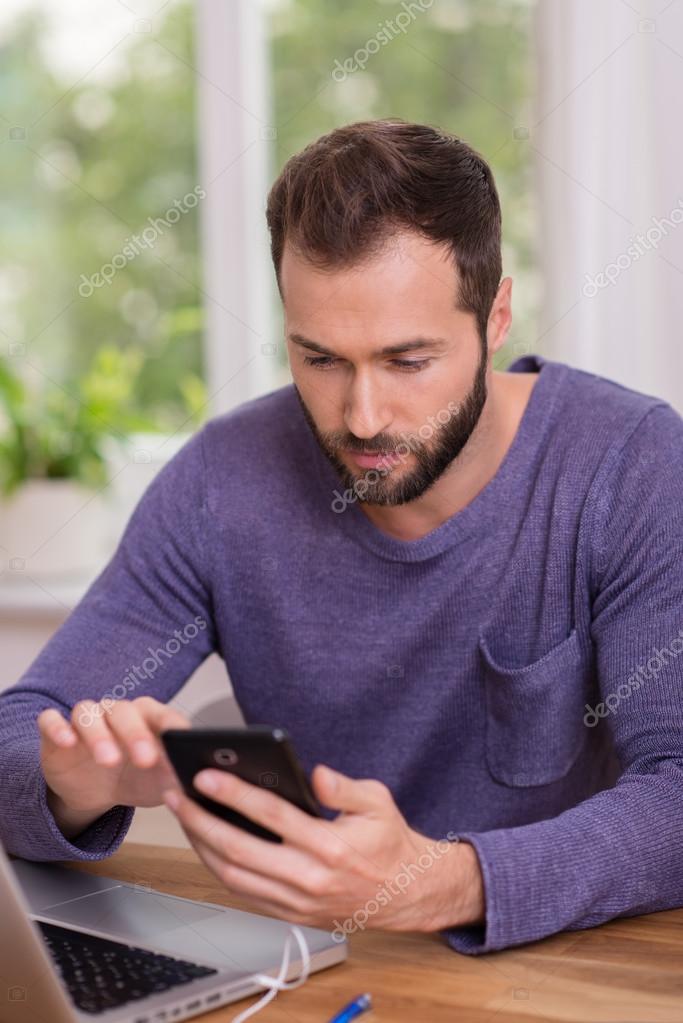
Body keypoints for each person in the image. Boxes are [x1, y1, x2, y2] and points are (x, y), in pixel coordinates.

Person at [1, 119, 682, 955]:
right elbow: (18, 732)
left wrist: (444, 880)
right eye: (320, 359)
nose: (361, 417)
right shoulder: (221, 481)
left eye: (407, 361)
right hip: (326, 969)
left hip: (565, 977)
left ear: (495, 316)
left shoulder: (631, 465)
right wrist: (68, 782)